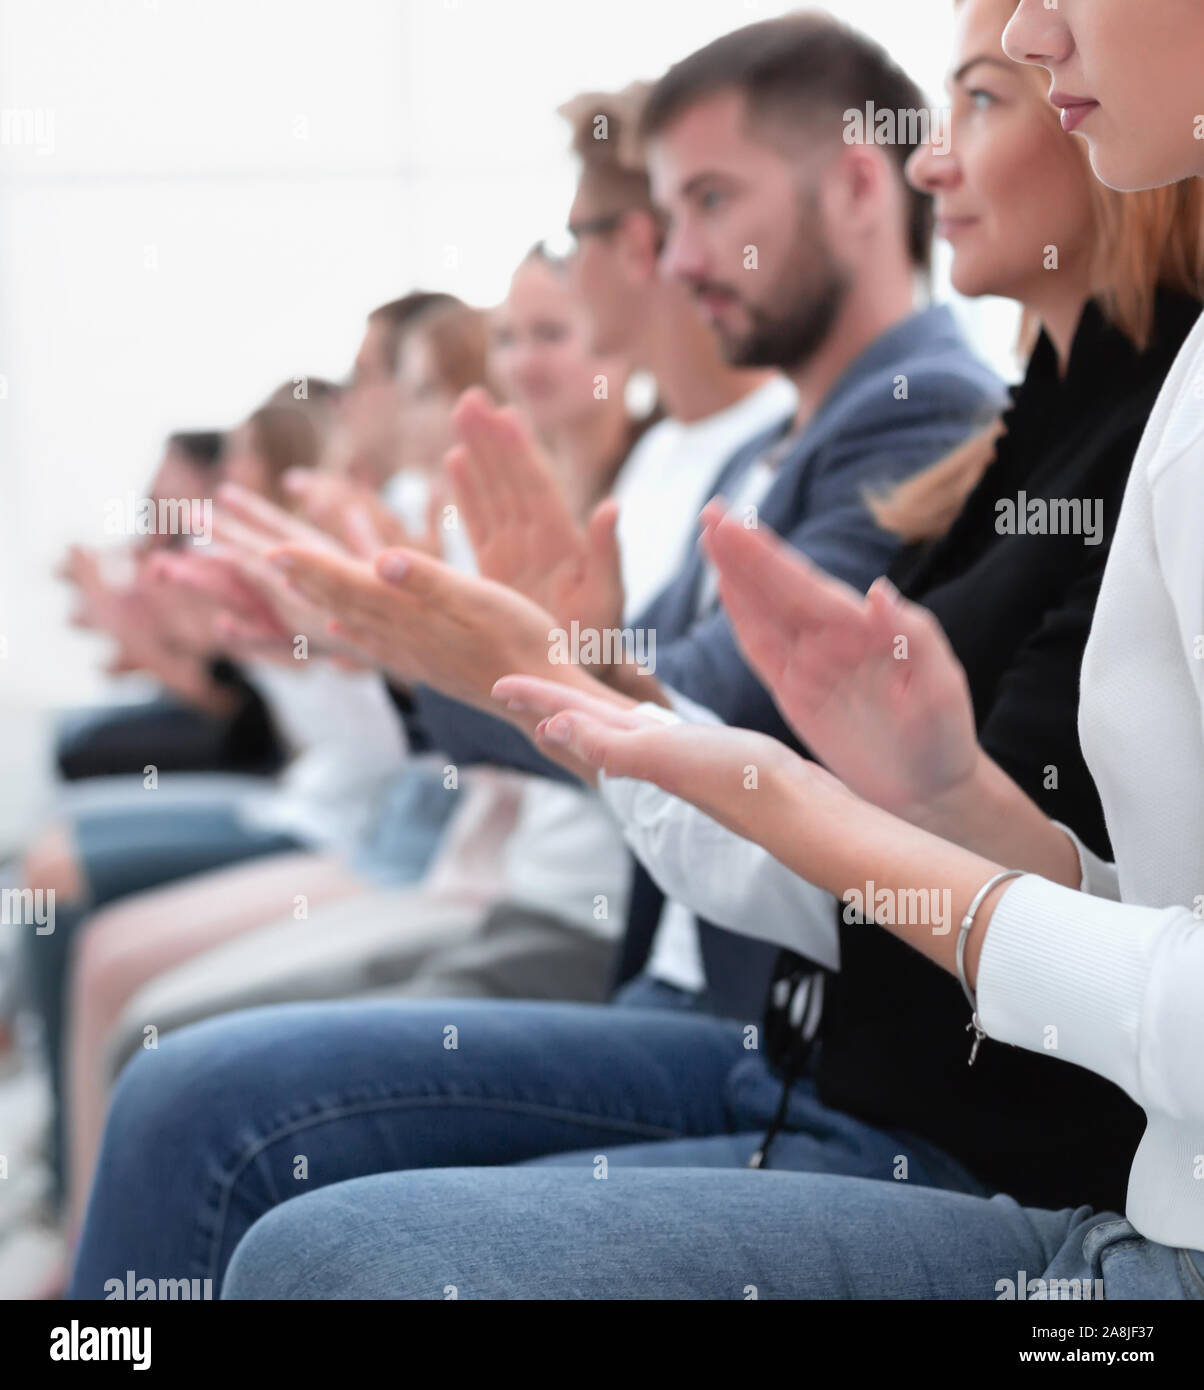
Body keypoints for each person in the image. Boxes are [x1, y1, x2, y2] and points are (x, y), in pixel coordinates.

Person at [210, 0, 1204, 1302]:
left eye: (983, 96)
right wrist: (924, 795)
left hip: (950, 1134)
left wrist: (595, 687)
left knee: (254, 1155)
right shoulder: (1009, 444)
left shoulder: (981, 428)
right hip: (858, 1078)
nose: (931, 160)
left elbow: (1052, 945)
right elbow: (1106, 900)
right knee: (227, 1111)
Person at [66, 11, 1004, 1297]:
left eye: (706, 202)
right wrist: (420, 649)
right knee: (188, 1083)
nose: (672, 255)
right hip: (683, 992)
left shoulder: (920, 414)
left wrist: (481, 652)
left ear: (854, 184)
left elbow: (709, 715)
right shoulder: (768, 444)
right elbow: (647, 689)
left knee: (202, 1098)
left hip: (763, 1031)